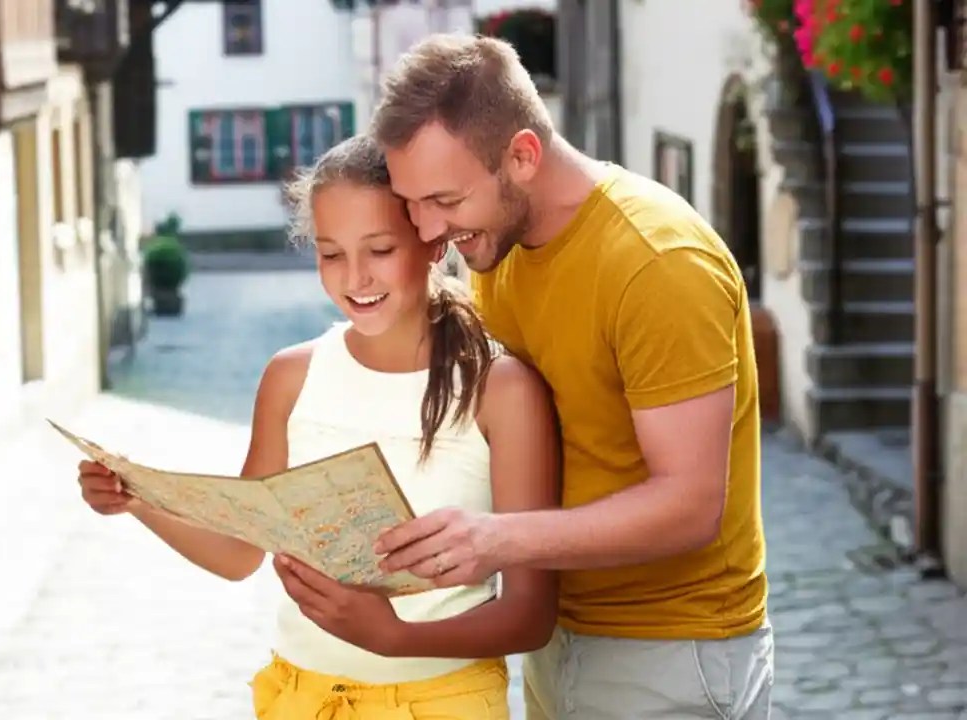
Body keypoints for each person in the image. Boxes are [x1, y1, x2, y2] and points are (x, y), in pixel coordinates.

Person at [75, 134, 560, 718]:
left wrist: (395, 638)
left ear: (432, 243)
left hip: (443, 703)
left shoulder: (500, 390)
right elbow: (239, 554)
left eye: (379, 249)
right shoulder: (291, 378)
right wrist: (137, 498)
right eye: (331, 254)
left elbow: (530, 615)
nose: (355, 277)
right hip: (303, 699)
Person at [364, 34, 775, 719]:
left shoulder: (657, 262)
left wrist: (495, 540)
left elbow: (691, 505)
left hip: (674, 654)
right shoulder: (501, 247)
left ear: (522, 156)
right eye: (413, 202)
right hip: (559, 640)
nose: (430, 230)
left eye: (445, 199)